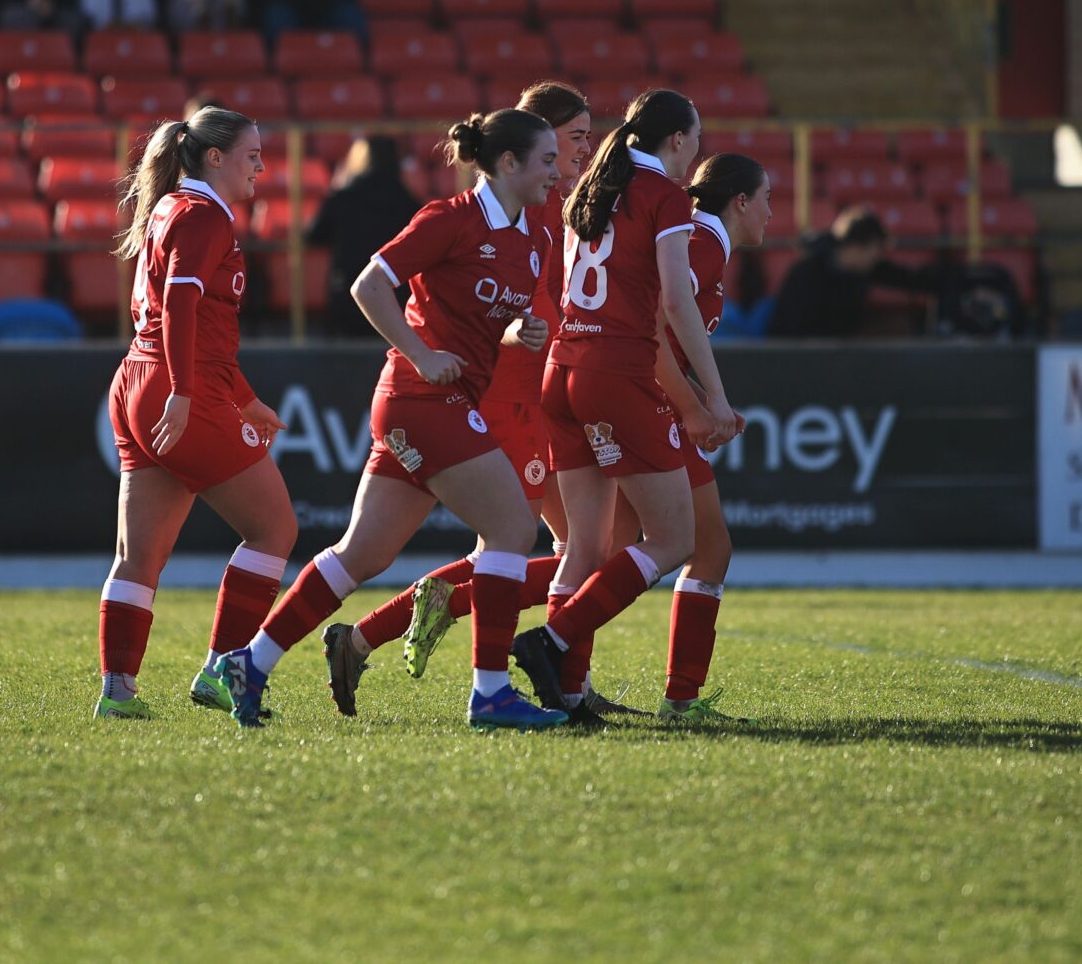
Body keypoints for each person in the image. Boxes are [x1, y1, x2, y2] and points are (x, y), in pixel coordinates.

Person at [219, 110, 569, 732]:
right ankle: (490, 693)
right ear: (508, 163)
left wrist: (516, 331)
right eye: (547, 159)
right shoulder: (451, 218)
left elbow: (485, 315)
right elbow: (369, 286)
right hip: (421, 399)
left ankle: (250, 660)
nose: (557, 170)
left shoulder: (532, 237)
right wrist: (422, 352)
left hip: (430, 403)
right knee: (514, 528)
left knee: (363, 553)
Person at [324, 82, 614, 717]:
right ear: (530, 144)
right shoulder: (525, 204)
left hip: (535, 390)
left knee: (578, 550)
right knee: (571, 550)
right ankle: (532, 683)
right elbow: (506, 305)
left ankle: (558, 680)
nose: (585, 149)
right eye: (574, 138)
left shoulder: (555, 201)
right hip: (513, 394)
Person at [509, 89, 743, 722]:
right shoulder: (665, 197)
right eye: (695, 138)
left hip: (563, 369)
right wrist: (713, 396)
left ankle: (572, 691)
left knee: (585, 549)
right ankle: (552, 644)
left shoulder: (591, 187)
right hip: (617, 373)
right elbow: (675, 302)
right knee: (674, 539)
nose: (697, 151)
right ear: (676, 142)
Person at [93, 107, 299, 720]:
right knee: (275, 529)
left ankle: (118, 691)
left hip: (136, 378)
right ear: (215, 158)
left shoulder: (169, 208)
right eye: (251, 155)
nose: (261, 166)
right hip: (175, 386)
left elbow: (196, 323)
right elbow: (182, 304)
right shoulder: (205, 216)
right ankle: (222, 669)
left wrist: (245, 400)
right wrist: (185, 394)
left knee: (139, 553)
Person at [651, 153, 771, 722]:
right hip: (643, 405)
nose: (772, 213)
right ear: (740, 201)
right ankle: (681, 698)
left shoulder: (703, 243)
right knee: (708, 547)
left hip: (644, 400)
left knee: (600, 557)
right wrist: (693, 407)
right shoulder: (701, 241)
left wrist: (698, 402)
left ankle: (464, 589)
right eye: (766, 198)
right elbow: (643, 331)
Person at [764, 205, 944, 339]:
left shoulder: (862, 268)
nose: (877, 258)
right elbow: (791, 331)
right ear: (855, 247)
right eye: (875, 251)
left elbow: (909, 278)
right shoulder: (807, 273)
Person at [306, 135, 421, 339]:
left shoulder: (343, 196)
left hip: (347, 295)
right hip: (395, 302)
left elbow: (313, 236)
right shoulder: (409, 201)